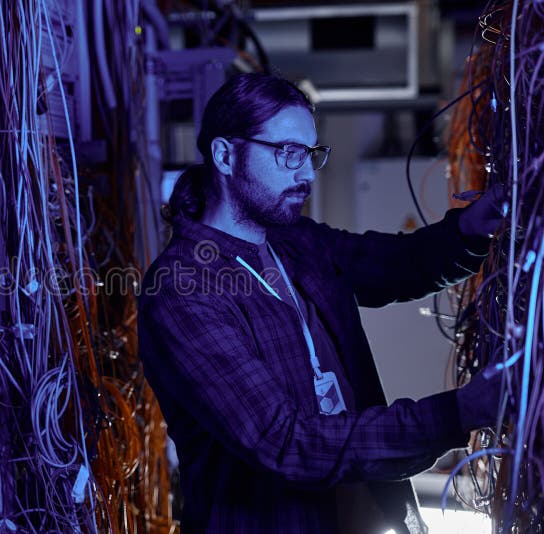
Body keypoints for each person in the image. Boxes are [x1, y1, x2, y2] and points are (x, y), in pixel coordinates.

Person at [137, 73, 504, 533]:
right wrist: (459, 412)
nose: (307, 172)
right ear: (226, 155)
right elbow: (283, 441)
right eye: (288, 153)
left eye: (312, 154)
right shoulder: (181, 291)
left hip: (358, 511)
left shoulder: (293, 241)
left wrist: (476, 225)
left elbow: (396, 264)